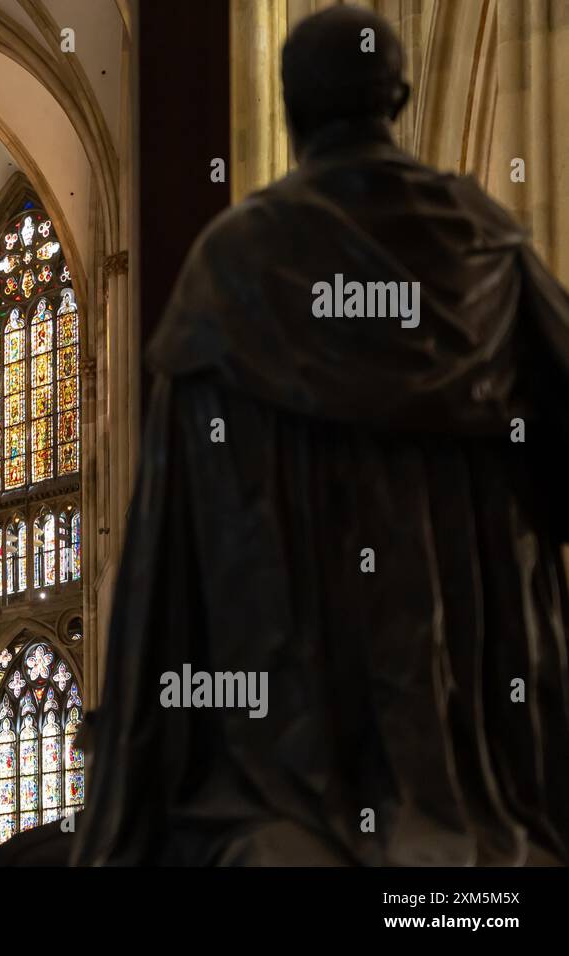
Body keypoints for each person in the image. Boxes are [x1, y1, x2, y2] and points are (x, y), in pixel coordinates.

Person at [68, 5, 569, 865]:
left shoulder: (233, 266)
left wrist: (141, 755)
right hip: (473, 746)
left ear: (290, 112)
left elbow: (170, 546)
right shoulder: (488, 247)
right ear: (401, 95)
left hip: (288, 738)